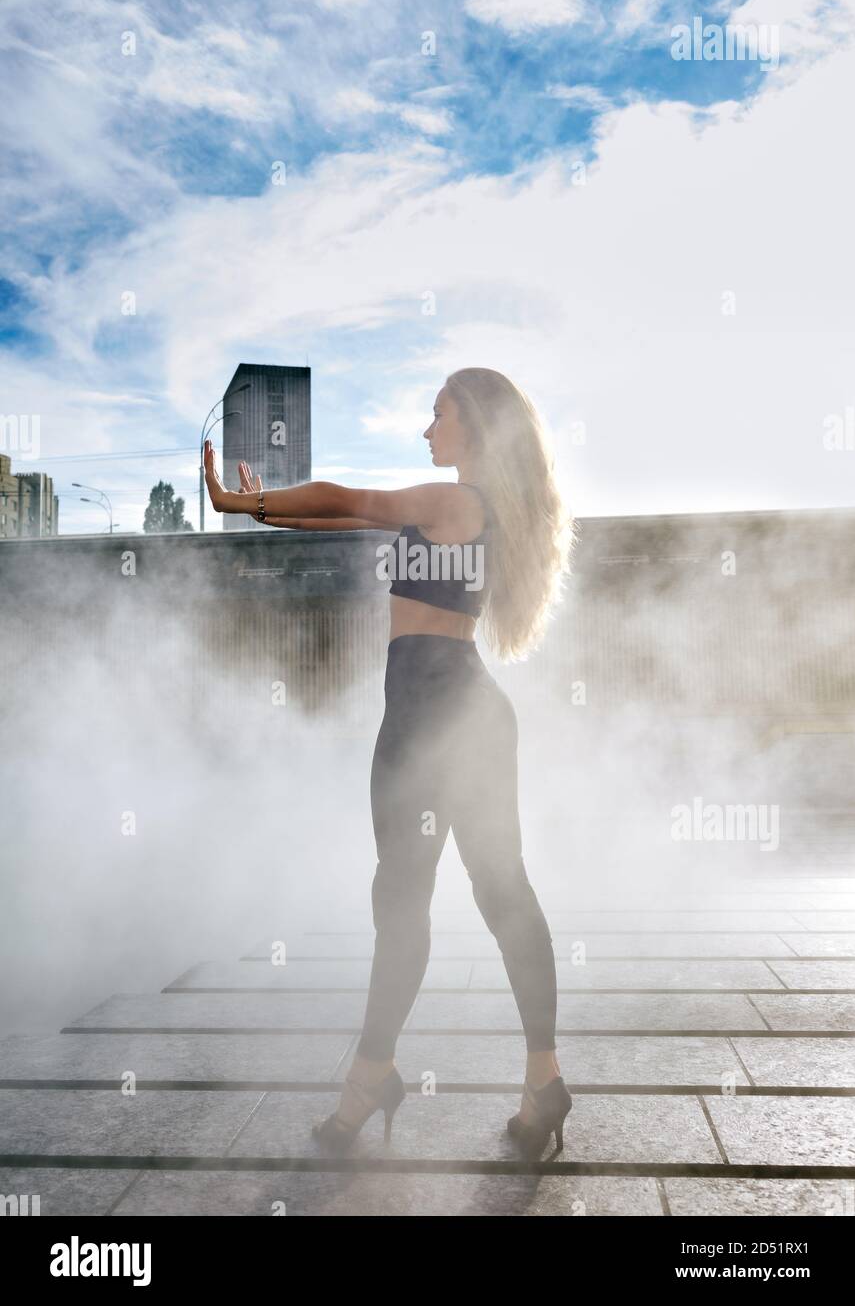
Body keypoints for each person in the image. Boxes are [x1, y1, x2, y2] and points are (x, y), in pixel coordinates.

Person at [203, 367, 577, 1158]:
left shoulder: (455, 502)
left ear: (471, 426)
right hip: (469, 713)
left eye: (436, 413)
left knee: (403, 905)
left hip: (428, 719)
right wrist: (263, 512)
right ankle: (542, 1083)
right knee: (501, 892)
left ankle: (369, 1079)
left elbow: (355, 501)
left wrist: (245, 504)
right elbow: (344, 515)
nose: (425, 428)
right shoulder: (485, 509)